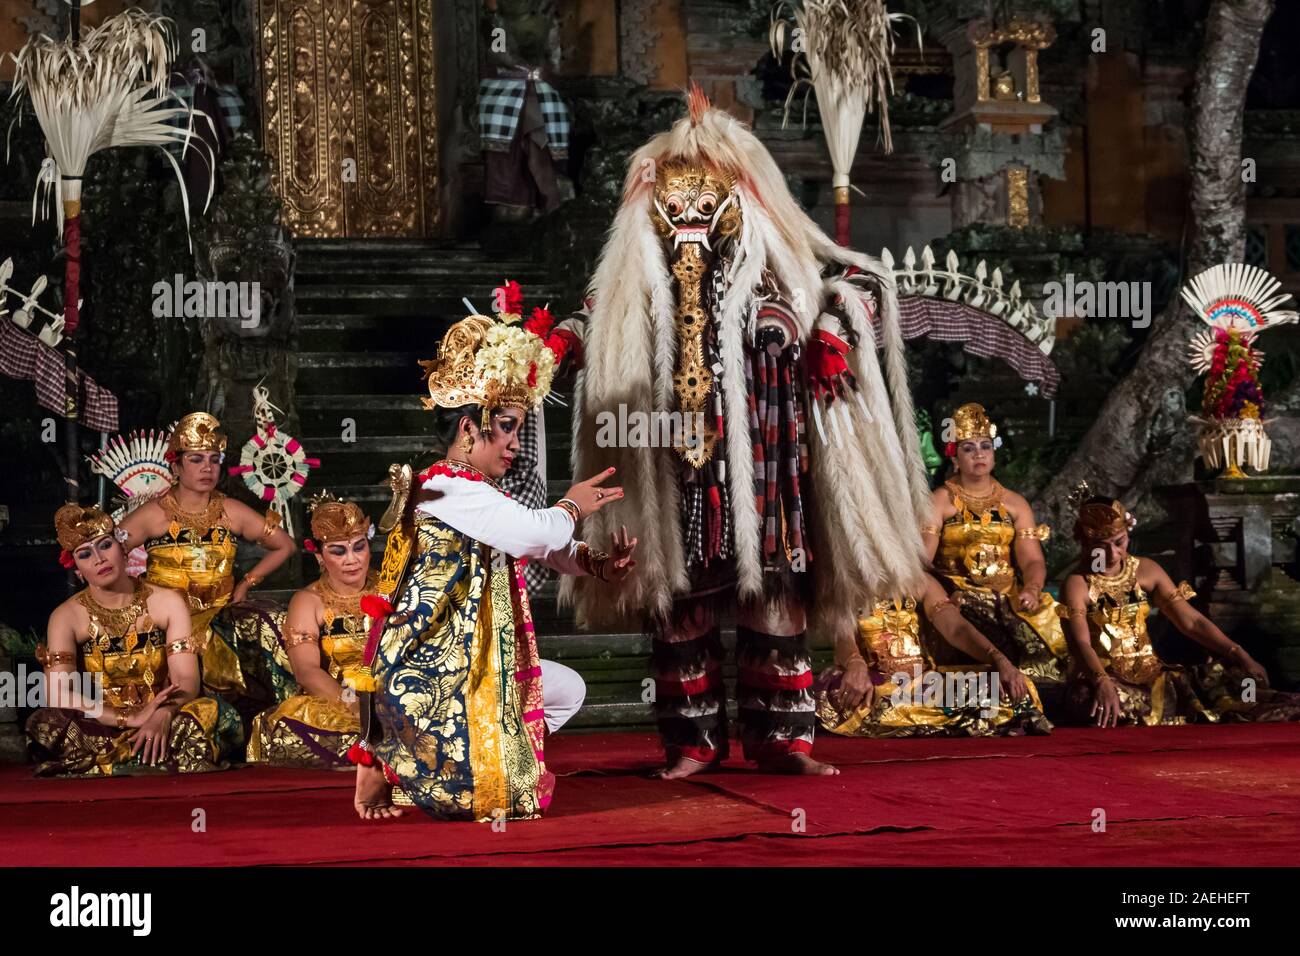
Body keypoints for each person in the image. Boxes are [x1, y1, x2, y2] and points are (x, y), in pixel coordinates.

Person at [563, 85, 932, 779]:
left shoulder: (771, 248)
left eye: (705, 204)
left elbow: (839, 287)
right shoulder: (638, 266)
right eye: (677, 208)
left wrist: (820, 330)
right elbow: (600, 308)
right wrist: (564, 339)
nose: (692, 217)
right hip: (666, 443)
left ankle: (784, 742)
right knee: (677, 595)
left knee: (775, 589)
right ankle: (692, 745)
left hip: (765, 440)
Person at [352, 301, 637, 821]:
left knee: (567, 690)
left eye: (517, 428)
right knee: (500, 795)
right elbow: (533, 533)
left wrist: (597, 564)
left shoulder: (477, 491)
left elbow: (540, 542)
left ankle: (490, 748)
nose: (514, 444)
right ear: (467, 429)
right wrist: (571, 504)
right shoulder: (445, 486)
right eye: (504, 427)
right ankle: (392, 761)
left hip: (476, 660)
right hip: (430, 670)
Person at [26, 505, 241, 775]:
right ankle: (147, 755)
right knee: (45, 722)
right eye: (85, 554)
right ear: (78, 570)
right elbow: (59, 692)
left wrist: (163, 714)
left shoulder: (167, 602)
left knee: (210, 713)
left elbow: (186, 680)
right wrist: (127, 718)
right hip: (102, 721)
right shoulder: (66, 616)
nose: (99, 559)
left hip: (163, 717)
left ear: (124, 550)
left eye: (105, 545)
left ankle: (120, 759)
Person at [1061, 491, 1300, 727]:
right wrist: (1102, 681)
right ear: (1084, 541)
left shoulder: (1146, 570)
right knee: (1086, 700)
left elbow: (1191, 622)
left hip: (1153, 678)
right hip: (1103, 677)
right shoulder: (1077, 583)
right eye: (1100, 546)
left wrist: (1239, 654)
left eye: (1119, 542)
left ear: (1128, 532)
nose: (1112, 554)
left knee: (1236, 681)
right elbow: (1080, 643)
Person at [118, 412, 296, 708]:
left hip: (220, 611)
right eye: (196, 459)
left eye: (214, 459)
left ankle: (284, 712)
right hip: (166, 616)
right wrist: (131, 595)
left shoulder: (231, 510)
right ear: (175, 465)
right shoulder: (153, 514)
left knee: (271, 621)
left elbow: (285, 546)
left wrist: (246, 584)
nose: (208, 468)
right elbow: (105, 551)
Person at [922, 403, 1069, 683]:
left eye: (985, 446)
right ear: (954, 457)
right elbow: (923, 560)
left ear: (994, 453)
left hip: (1009, 598)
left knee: (1053, 644)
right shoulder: (939, 501)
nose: (979, 453)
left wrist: (1033, 588)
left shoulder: (1015, 504)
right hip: (961, 597)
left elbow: (1032, 560)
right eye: (968, 448)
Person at [815, 574, 1050, 737]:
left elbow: (956, 629)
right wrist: (855, 665)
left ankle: (928, 716)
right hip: (874, 683)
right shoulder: (842, 582)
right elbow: (842, 637)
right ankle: (954, 716)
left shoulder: (921, 581)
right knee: (856, 695)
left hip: (924, 683)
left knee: (1014, 686)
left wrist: (999, 659)